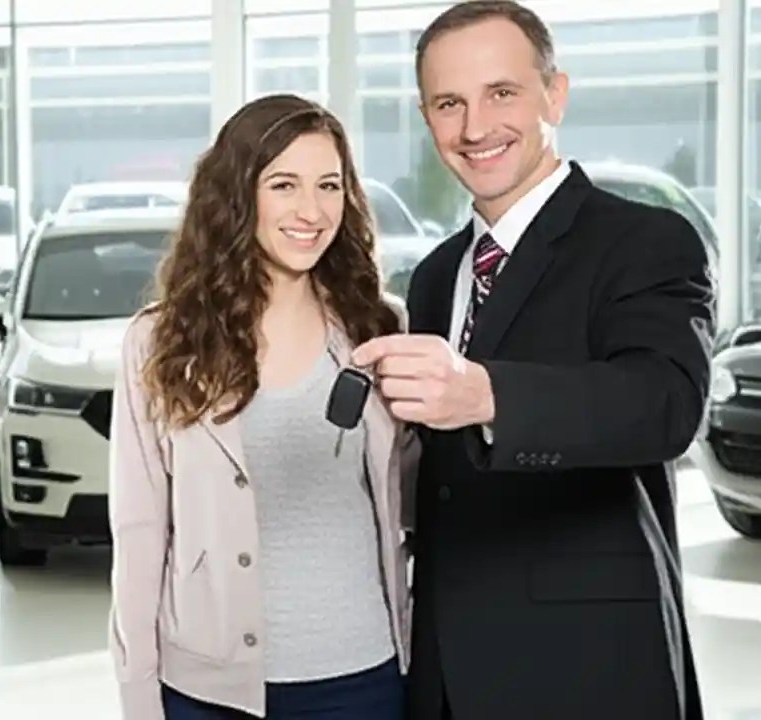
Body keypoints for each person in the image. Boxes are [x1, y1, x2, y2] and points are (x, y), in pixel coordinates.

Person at [350, 2, 712, 719]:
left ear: (556, 93)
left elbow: (664, 404)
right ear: (427, 119)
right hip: (447, 666)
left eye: (501, 94)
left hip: (585, 663)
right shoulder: (434, 275)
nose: (475, 128)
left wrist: (487, 396)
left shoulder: (643, 240)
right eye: (449, 104)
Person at [107, 93, 418, 720]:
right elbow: (139, 537)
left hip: (362, 675)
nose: (311, 210)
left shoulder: (379, 329)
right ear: (238, 195)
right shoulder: (159, 342)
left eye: (329, 185)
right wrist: (139, 698)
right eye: (284, 184)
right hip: (208, 689)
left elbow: (412, 502)